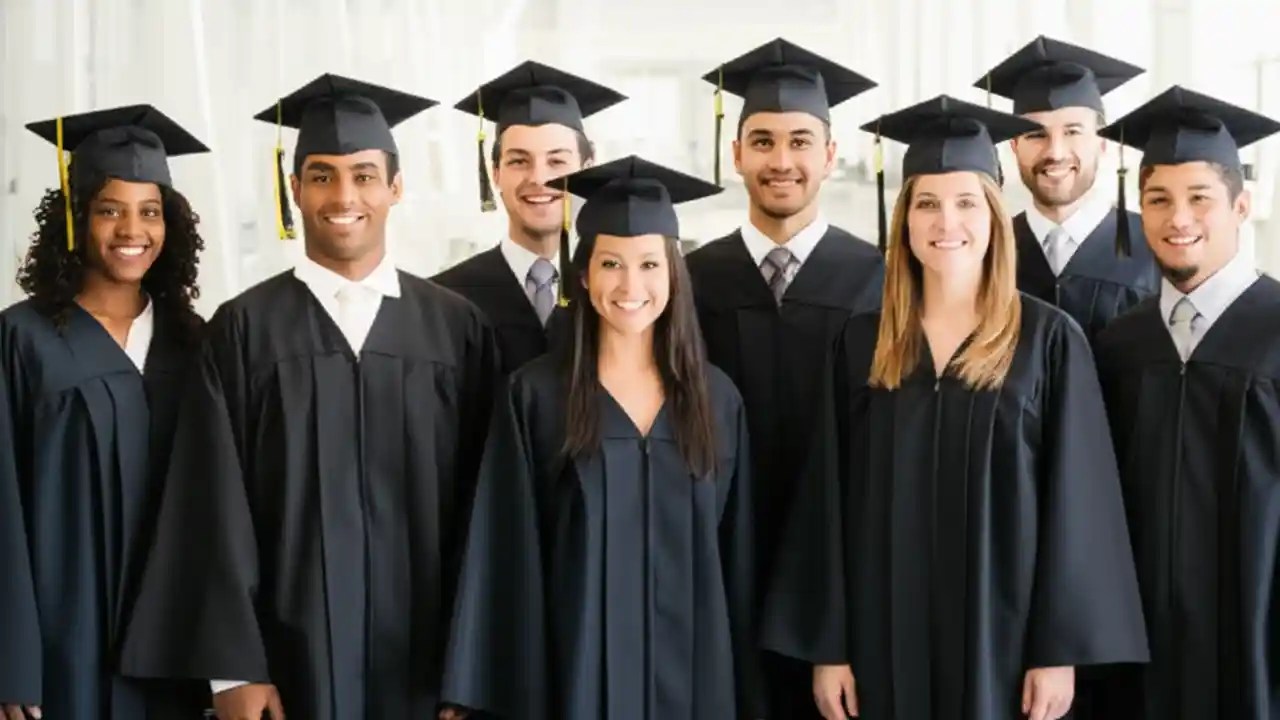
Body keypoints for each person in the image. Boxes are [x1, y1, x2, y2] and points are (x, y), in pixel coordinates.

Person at [118, 74, 499, 720]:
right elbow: (210, 502)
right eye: (321, 175)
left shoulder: (456, 331)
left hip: (428, 672)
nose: (343, 195)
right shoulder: (243, 329)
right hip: (289, 674)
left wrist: (472, 670)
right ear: (294, 188)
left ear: (396, 188)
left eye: (365, 175)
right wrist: (232, 669)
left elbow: (487, 511)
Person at [762, 95, 1149, 720]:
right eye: (927, 204)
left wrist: (1058, 651)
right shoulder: (863, 343)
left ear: (994, 216)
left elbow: (1078, 504)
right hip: (882, 632)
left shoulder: (1047, 340)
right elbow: (825, 504)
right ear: (905, 221)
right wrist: (827, 647)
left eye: (967, 202)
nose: (947, 222)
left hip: (1007, 641)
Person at [440, 156, 763, 720]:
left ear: (674, 275)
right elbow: (504, 549)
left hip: (696, 681)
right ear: (584, 274)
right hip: (574, 677)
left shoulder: (716, 399)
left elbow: (738, 560)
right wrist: (478, 687)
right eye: (611, 263)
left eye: (649, 265)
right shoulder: (535, 396)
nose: (630, 285)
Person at [684, 37, 884, 718]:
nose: (781, 161)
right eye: (762, 141)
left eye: (800, 141)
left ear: (830, 155)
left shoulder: (880, 279)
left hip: (844, 569)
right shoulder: (687, 281)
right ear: (736, 153)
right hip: (714, 562)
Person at [0, 105, 210, 720]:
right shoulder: (22, 339)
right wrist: (13, 662)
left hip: (174, 646)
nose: (131, 230)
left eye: (150, 212)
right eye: (109, 209)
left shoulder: (193, 342)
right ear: (76, 216)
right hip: (63, 645)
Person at [1093, 86, 1280, 719]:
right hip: (1137, 646)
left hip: (1259, 640)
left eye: (1200, 198)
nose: (1179, 219)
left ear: (1241, 205)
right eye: (1158, 200)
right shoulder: (1119, 344)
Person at [434, 61, 625, 376]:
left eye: (557, 160)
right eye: (519, 161)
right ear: (495, 173)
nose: (539, 178)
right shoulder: (446, 300)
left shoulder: (622, 293)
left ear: (588, 167)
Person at [979, 35, 1160, 344]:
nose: (1056, 152)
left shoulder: (1156, 246)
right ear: (1014, 145)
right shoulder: (988, 248)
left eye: (1073, 131)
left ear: (1101, 141)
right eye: (1035, 134)